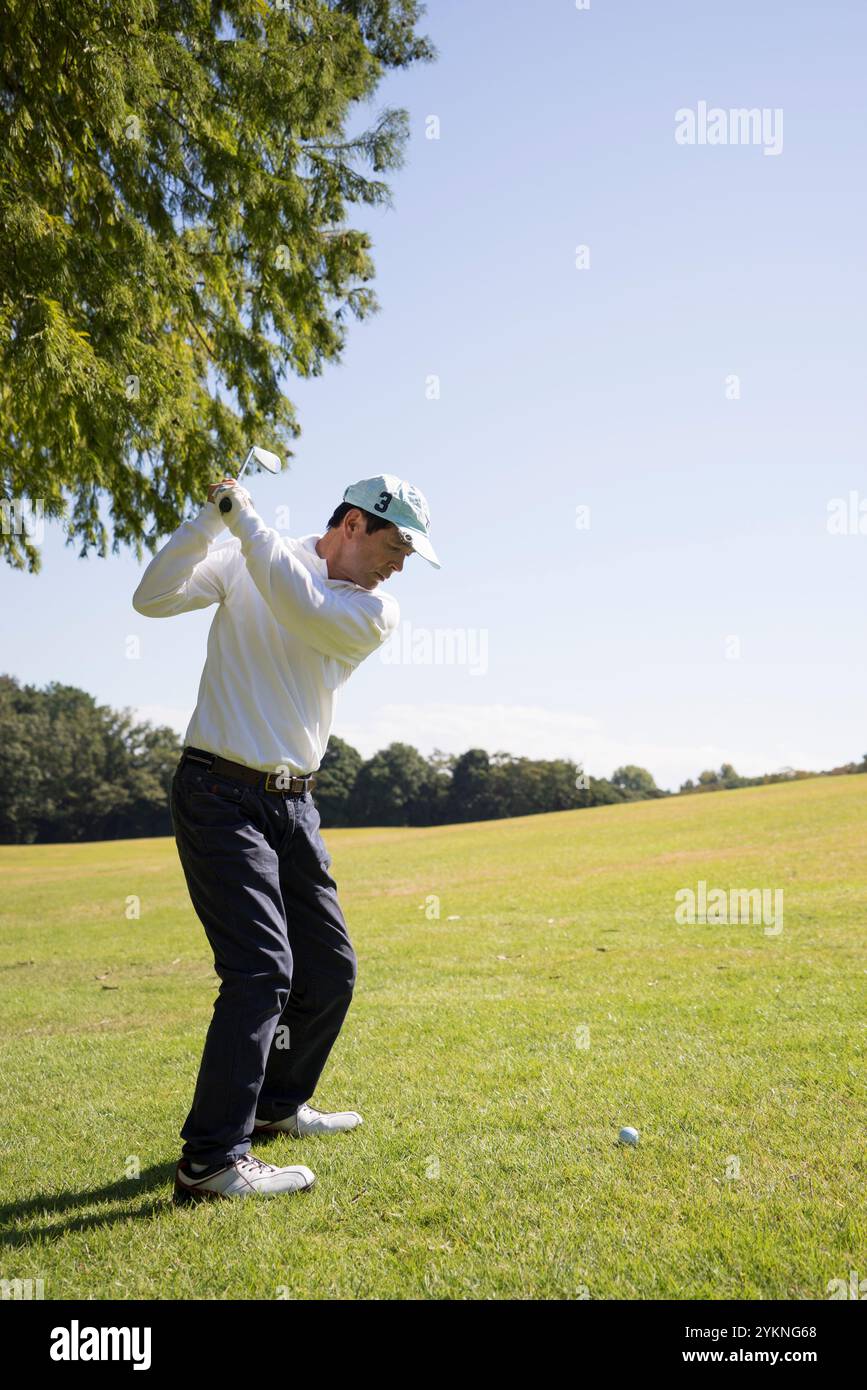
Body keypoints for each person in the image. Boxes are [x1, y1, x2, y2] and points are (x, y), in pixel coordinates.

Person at [132, 471, 440, 1203]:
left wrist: (242, 520)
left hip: (294, 804)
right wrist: (210, 519)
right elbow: (152, 598)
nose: (400, 564)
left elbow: (297, 605)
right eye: (397, 545)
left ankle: (275, 1106)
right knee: (260, 972)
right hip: (217, 791)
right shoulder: (249, 551)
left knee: (329, 971)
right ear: (355, 525)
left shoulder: (370, 609)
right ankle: (211, 1161)